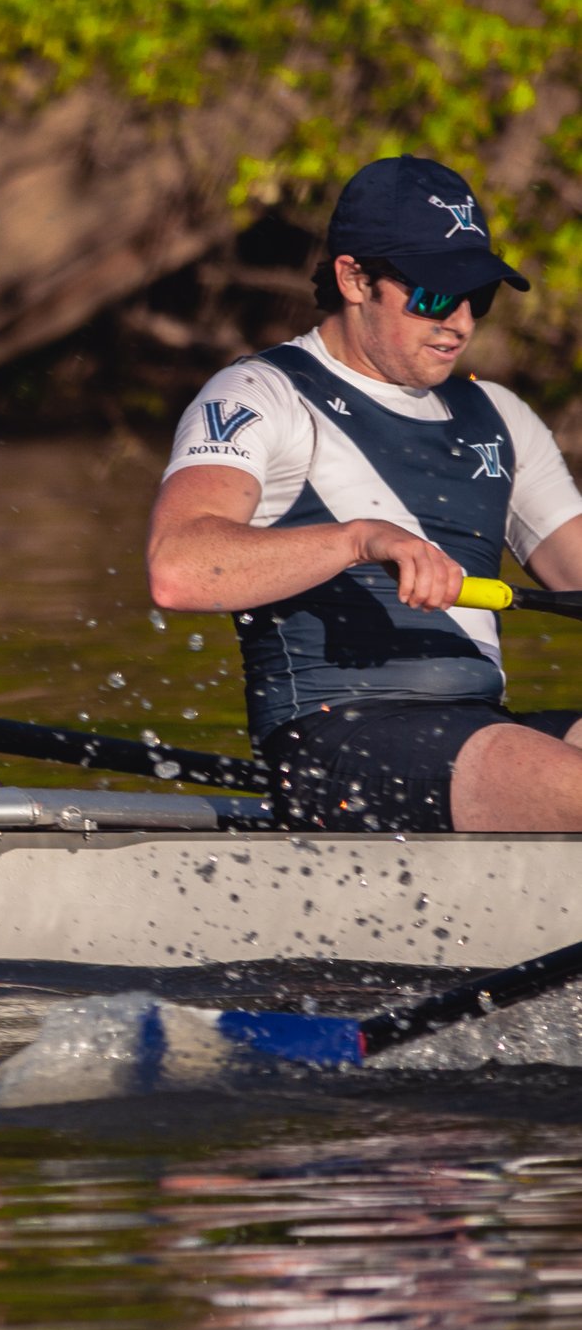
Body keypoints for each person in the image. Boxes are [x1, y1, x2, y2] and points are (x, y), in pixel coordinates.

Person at [149, 155, 582, 832]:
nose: (461, 322)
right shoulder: (262, 395)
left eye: (479, 297)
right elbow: (177, 569)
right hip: (334, 745)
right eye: (435, 295)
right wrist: (359, 539)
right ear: (354, 278)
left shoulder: (498, 414)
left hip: (478, 732)